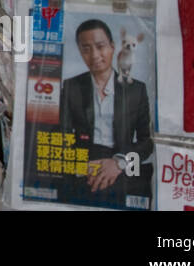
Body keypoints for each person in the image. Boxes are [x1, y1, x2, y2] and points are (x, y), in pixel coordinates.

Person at [59, 19, 154, 207]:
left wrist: (119, 163)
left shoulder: (136, 90)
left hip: (122, 162)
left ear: (112, 47)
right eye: (86, 49)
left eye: (100, 46)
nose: (94, 55)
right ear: (80, 52)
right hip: (83, 166)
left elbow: (147, 141)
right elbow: (61, 135)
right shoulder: (71, 86)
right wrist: (79, 166)